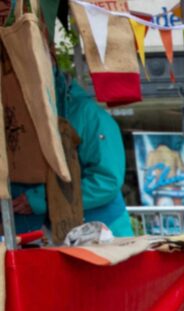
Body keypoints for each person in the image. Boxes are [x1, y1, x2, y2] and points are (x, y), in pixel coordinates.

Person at [11, 68, 133, 239]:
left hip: (98, 233)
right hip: (41, 234)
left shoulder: (89, 115)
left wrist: (41, 199)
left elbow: (106, 181)